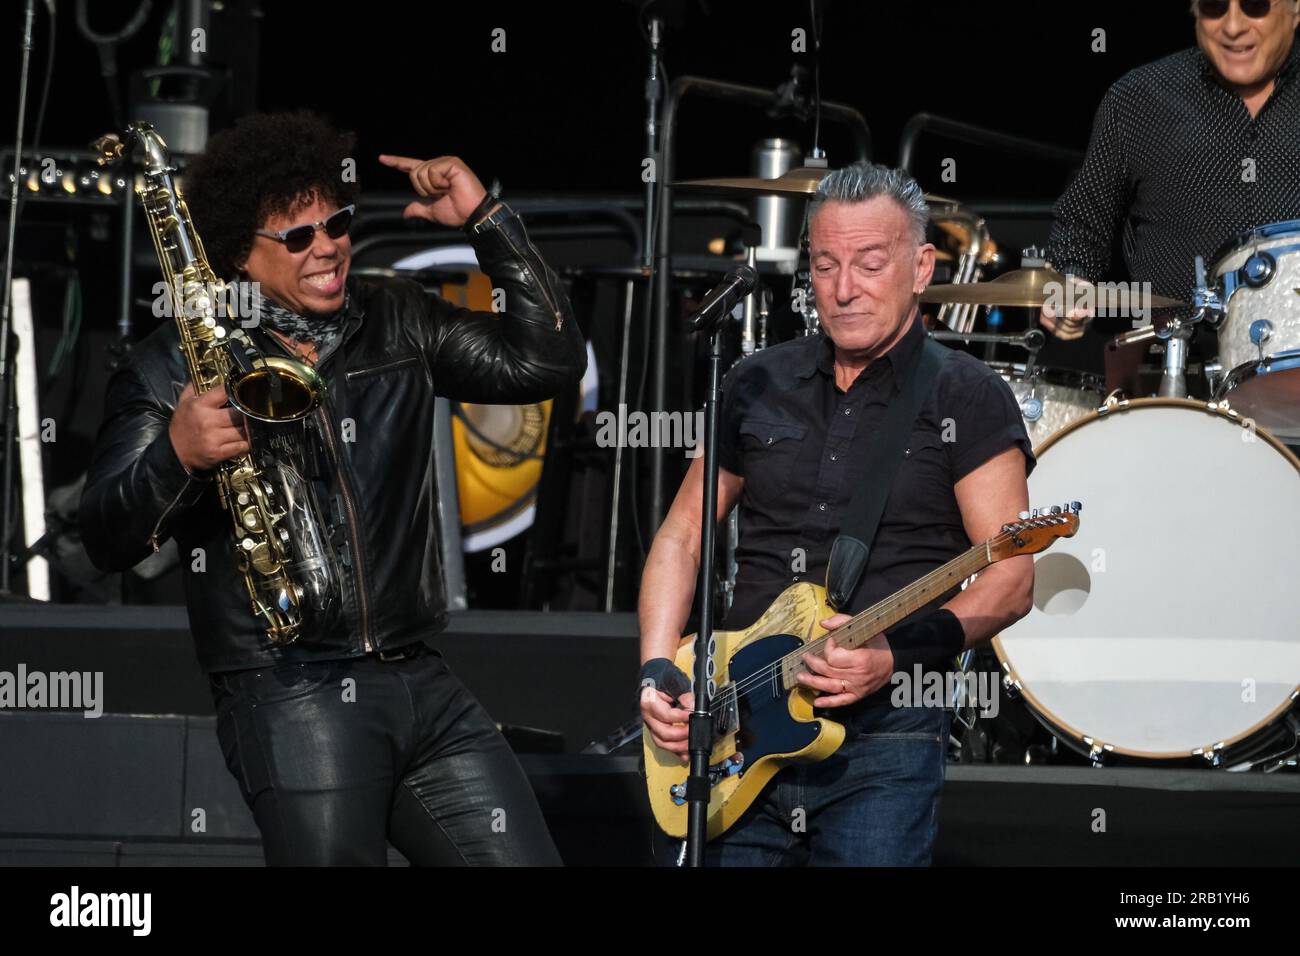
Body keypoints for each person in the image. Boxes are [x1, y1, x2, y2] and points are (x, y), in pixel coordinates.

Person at [79, 111, 586, 865]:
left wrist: (486, 216)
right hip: (289, 690)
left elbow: (547, 360)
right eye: (297, 236)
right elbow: (103, 535)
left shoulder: (399, 316)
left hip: (422, 678)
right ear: (238, 258)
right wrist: (177, 456)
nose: (327, 248)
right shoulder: (170, 365)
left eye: (337, 223)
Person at [637, 162, 1036, 866]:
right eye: (826, 266)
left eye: (869, 264)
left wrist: (894, 656)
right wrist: (656, 669)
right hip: (734, 722)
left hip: (882, 741)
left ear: (921, 267)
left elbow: (1011, 579)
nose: (844, 289)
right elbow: (683, 534)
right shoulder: (756, 380)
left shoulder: (965, 395)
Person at [1041, 0, 1300, 389]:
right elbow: (1081, 222)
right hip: (1172, 379)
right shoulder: (1136, 100)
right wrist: (1071, 279)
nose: (1232, 26)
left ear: (1294, 8)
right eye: (1214, 7)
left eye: (1254, 5)